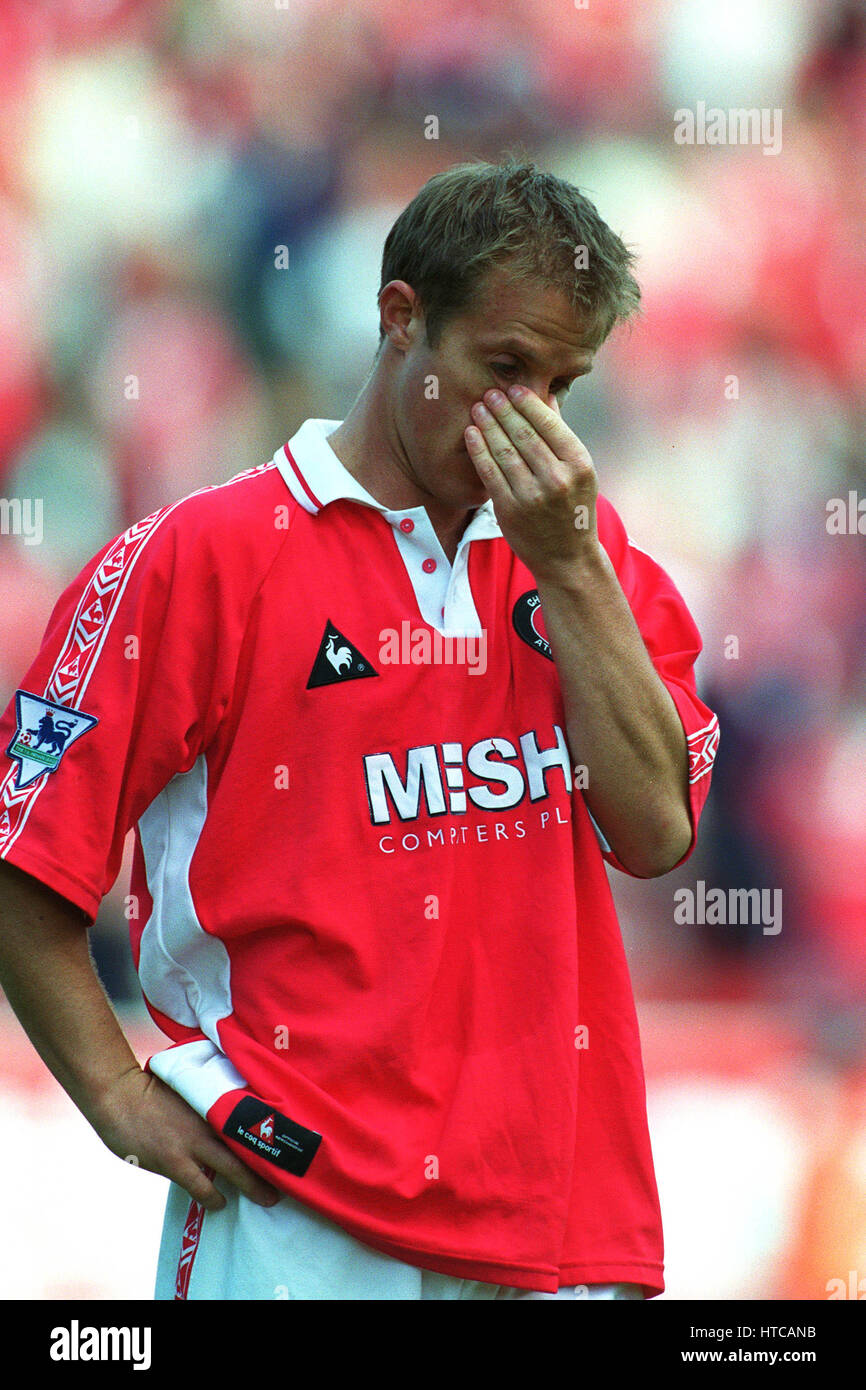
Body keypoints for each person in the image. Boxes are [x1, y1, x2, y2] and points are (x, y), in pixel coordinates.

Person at [0, 159, 719, 1300]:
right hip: (298, 1211)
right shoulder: (202, 556)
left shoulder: (590, 558)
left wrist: (572, 567)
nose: (531, 418)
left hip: (565, 1222)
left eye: (562, 384)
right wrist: (116, 1096)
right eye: (503, 368)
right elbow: (24, 850)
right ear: (400, 319)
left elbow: (655, 831)